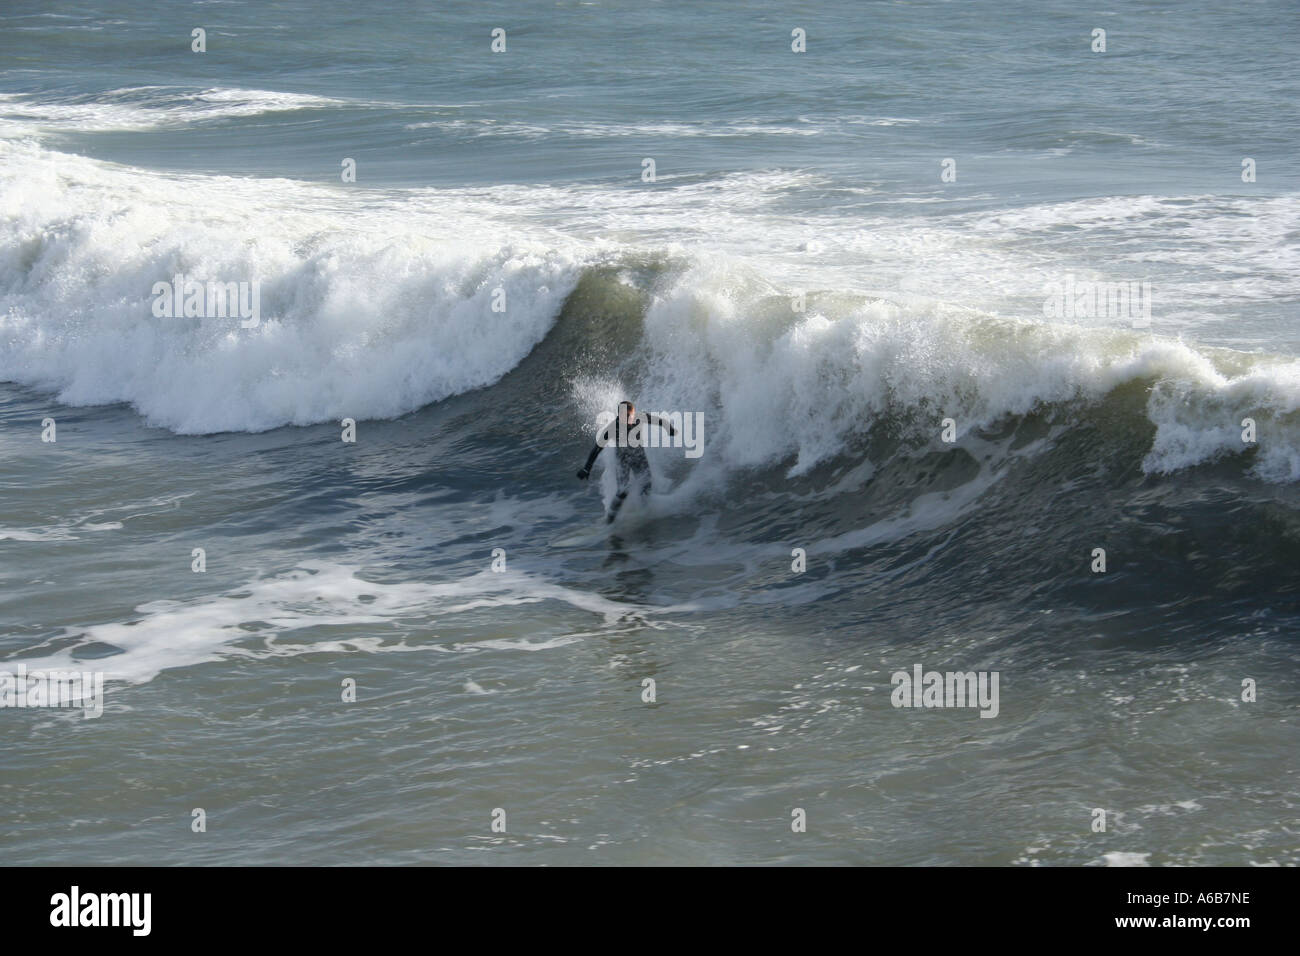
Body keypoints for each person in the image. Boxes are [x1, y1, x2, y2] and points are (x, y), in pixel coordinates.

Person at [577, 401, 677, 523]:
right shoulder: (613, 427)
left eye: (629, 417)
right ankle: (610, 519)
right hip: (622, 459)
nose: (626, 421)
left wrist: (670, 429)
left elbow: (659, 421)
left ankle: (645, 514)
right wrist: (587, 468)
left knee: (646, 486)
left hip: (639, 456)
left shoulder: (641, 417)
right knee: (622, 491)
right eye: (623, 417)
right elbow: (597, 448)